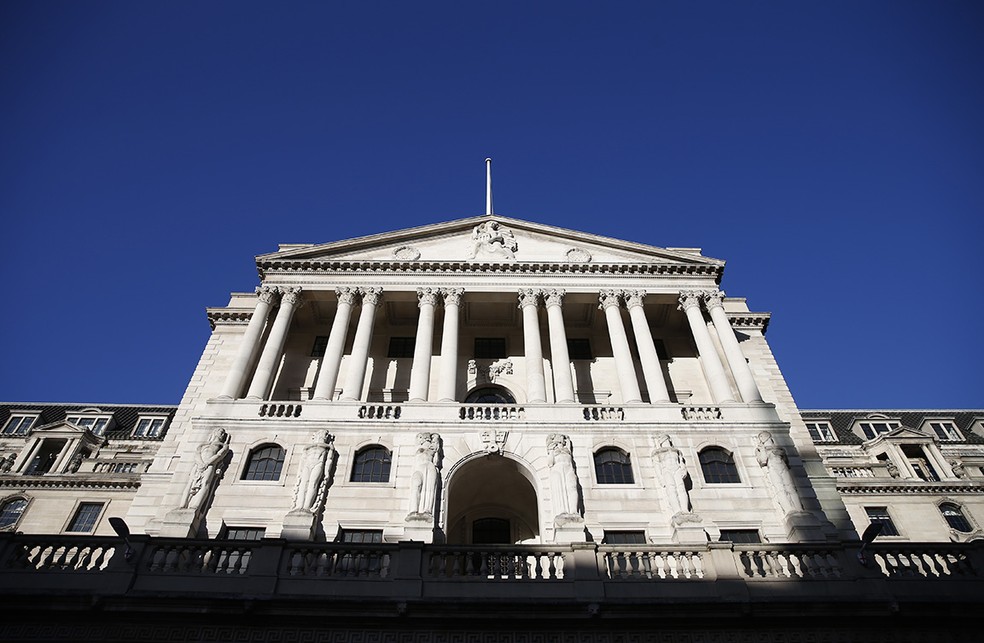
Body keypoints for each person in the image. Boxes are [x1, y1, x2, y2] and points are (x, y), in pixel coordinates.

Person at [180, 428, 230, 510]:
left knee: (205, 483)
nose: (222, 434)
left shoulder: (223, 445)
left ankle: (196, 505)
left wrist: (207, 463)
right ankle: (183, 504)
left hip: (210, 465)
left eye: (223, 433)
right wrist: (200, 463)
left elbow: (220, 455)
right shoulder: (203, 444)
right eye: (220, 432)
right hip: (198, 464)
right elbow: (197, 453)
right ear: (214, 432)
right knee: (190, 483)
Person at [294, 430, 335, 511]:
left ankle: (307, 506)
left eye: (324, 435)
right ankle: (299, 506)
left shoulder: (328, 447)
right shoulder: (308, 447)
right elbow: (303, 460)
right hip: (307, 465)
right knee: (303, 484)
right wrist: (299, 472)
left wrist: (327, 471)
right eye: (320, 434)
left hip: (318, 464)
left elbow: (329, 459)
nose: (322, 436)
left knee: (313, 484)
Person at [546, 433, 580, 517]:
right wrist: (551, 451)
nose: (561, 440)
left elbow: (568, 442)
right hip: (557, 470)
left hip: (569, 469)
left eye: (562, 439)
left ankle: (574, 511)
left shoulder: (567, 449)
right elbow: (550, 463)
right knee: (559, 490)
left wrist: (567, 440)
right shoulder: (553, 450)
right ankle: (561, 511)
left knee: (572, 488)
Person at [408, 433, 440, 517]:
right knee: (416, 485)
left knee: (430, 489)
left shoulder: (433, 447)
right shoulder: (418, 447)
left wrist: (436, 440)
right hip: (419, 468)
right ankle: (413, 510)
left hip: (430, 466)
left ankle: (427, 510)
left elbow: (436, 461)